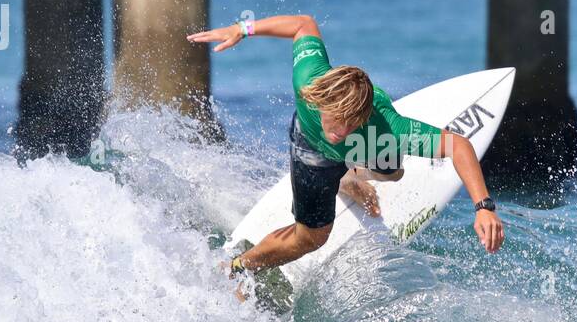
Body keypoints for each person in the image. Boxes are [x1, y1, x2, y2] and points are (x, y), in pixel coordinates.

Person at [187, 14, 505, 277]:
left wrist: (483, 207)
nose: (338, 131)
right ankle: (238, 267)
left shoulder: (389, 131)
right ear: (321, 100)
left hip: (369, 149)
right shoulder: (309, 82)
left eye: (350, 123)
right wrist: (242, 29)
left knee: (394, 172)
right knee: (310, 239)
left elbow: (458, 146)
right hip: (311, 150)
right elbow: (303, 25)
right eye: (333, 118)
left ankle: (352, 174)